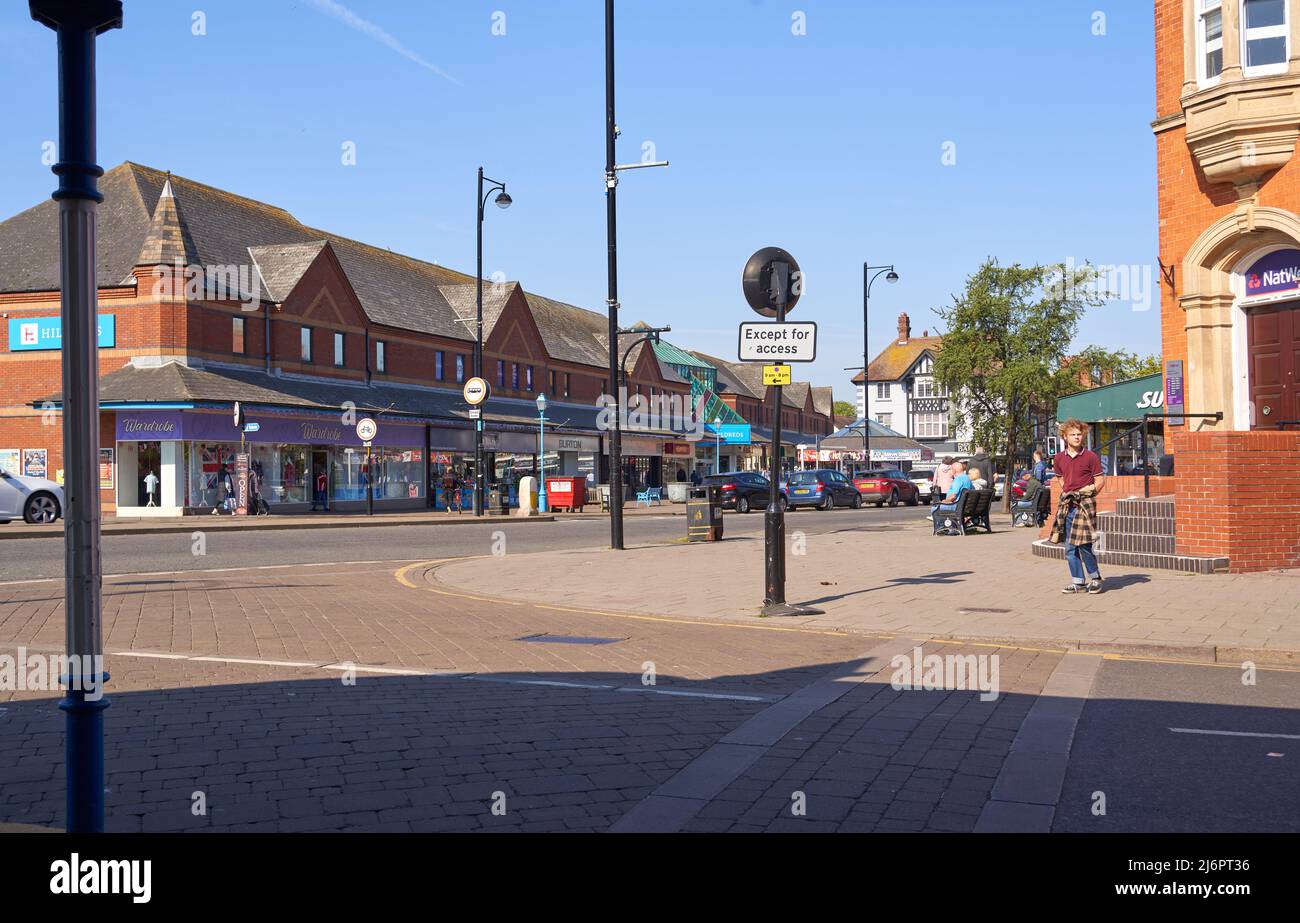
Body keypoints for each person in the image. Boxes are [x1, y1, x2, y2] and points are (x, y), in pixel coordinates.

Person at [1049, 418, 1105, 594]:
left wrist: (1088, 492)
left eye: (1079, 434)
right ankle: (1078, 582)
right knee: (1069, 547)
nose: (1076, 437)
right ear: (1065, 437)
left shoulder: (1090, 457)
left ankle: (1095, 578)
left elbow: (1100, 480)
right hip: (1067, 505)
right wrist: (1068, 489)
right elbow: (1060, 477)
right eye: (1072, 434)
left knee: (1085, 545)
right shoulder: (1058, 458)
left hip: (1084, 505)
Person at [931, 461, 972, 534]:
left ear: (954, 470)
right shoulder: (967, 478)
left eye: (951, 469)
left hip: (956, 505)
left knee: (935, 508)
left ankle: (941, 528)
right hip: (965, 506)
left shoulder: (958, 479)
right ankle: (952, 527)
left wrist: (944, 501)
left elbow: (953, 496)